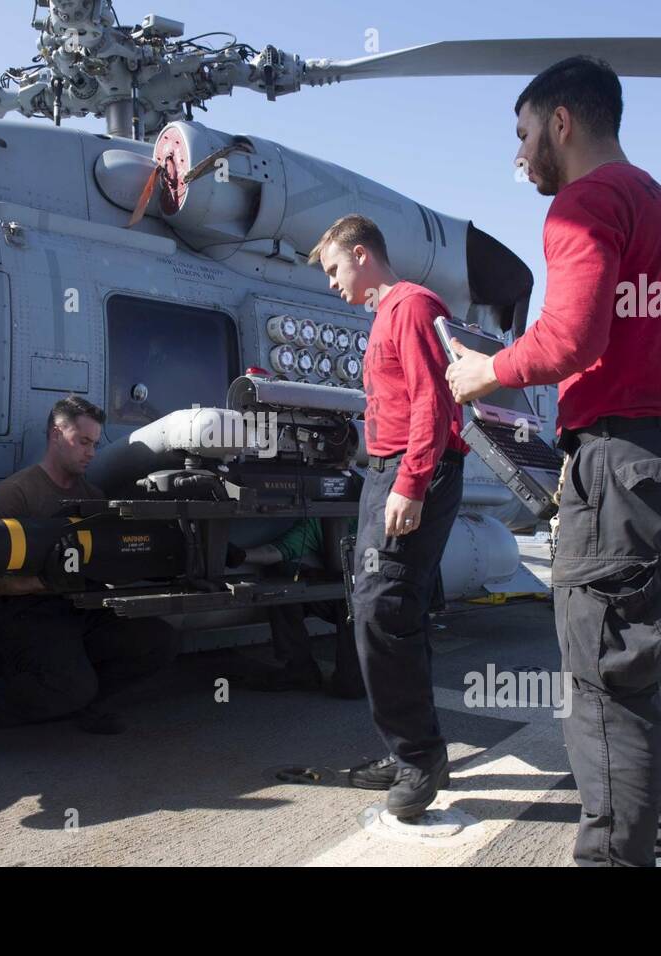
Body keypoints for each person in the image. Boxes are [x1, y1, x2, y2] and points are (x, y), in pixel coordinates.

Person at [446, 56, 661, 867]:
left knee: (608, 696)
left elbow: (573, 338)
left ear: (562, 124)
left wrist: (485, 371)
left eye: (524, 133)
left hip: (625, 470)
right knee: (657, 686)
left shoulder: (588, 201)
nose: (520, 153)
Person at [310, 214, 468, 819]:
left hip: (409, 472)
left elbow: (434, 398)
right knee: (388, 610)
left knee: (384, 610)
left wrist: (411, 481)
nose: (330, 283)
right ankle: (413, 752)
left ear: (360, 253)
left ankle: (418, 760)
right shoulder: (388, 314)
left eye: (333, 269)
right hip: (387, 471)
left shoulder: (410, 306)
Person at [0, 395, 178, 761]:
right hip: (23, 613)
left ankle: (83, 702)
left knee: (159, 641)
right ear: (57, 435)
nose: (91, 453)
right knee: (71, 684)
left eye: (94, 444)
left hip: (78, 607)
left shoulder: (94, 496)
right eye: (83, 442)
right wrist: (49, 581)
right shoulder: (15, 495)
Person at [227, 518, 365, 699]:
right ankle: (299, 669)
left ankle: (373, 672)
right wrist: (241, 555)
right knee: (282, 575)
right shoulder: (319, 520)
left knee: (350, 687)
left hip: (371, 598)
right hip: (340, 595)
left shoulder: (382, 511)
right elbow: (278, 551)